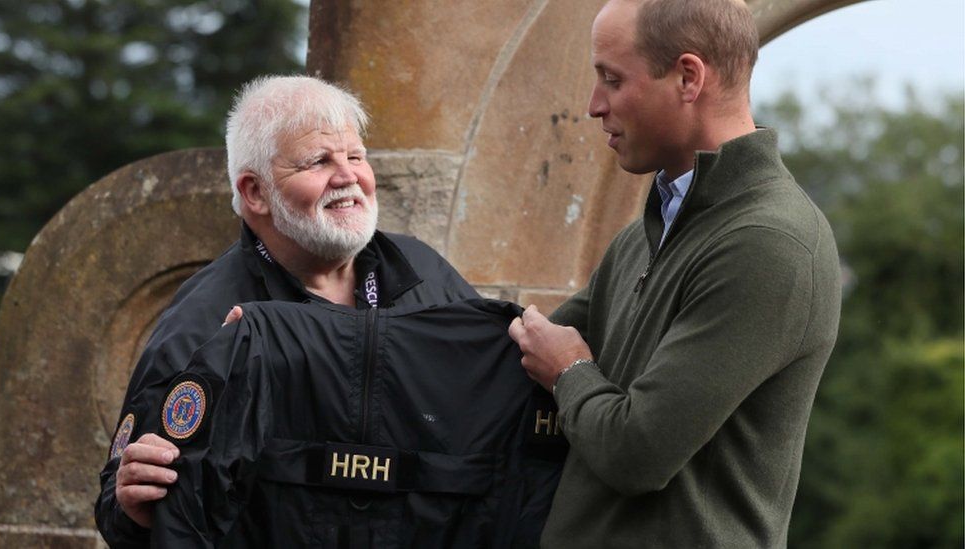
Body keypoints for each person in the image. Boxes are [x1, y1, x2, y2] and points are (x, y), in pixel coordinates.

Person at [96, 75, 561, 547]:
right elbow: (120, 508)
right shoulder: (202, 319)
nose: (348, 177)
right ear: (255, 192)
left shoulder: (424, 274)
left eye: (356, 156)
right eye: (319, 161)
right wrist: (132, 506)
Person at [508, 0, 842, 547]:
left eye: (613, 80)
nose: (594, 106)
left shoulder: (769, 244)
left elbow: (636, 453)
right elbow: (525, 345)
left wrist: (569, 370)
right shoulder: (656, 224)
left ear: (688, 77)